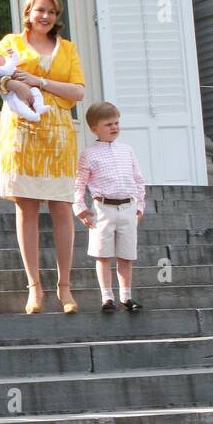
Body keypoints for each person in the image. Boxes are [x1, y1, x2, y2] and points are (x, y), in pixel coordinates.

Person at [0, 0, 86, 314]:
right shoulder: (11, 43)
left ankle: (64, 288)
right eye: (40, 10)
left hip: (59, 137)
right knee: (26, 210)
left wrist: (40, 82)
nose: (46, 17)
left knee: (63, 210)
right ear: (28, 12)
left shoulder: (67, 48)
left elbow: (78, 92)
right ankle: (34, 288)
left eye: (52, 12)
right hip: (22, 135)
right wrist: (12, 83)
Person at [74, 102, 146, 314]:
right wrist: (80, 208)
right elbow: (79, 183)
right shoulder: (88, 154)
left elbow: (138, 179)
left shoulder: (127, 151)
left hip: (127, 207)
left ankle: (126, 296)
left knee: (126, 255)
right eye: (108, 124)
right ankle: (107, 297)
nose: (114, 127)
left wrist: (140, 205)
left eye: (116, 123)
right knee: (103, 255)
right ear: (94, 128)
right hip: (103, 209)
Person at [0, 49, 47, 122]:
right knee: (18, 105)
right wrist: (15, 85)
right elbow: (9, 70)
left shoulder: (3, 64)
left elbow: (15, 60)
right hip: (12, 95)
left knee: (35, 91)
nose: (1, 55)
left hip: (27, 88)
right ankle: (31, 115)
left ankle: (39, 106)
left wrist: (13, 55)